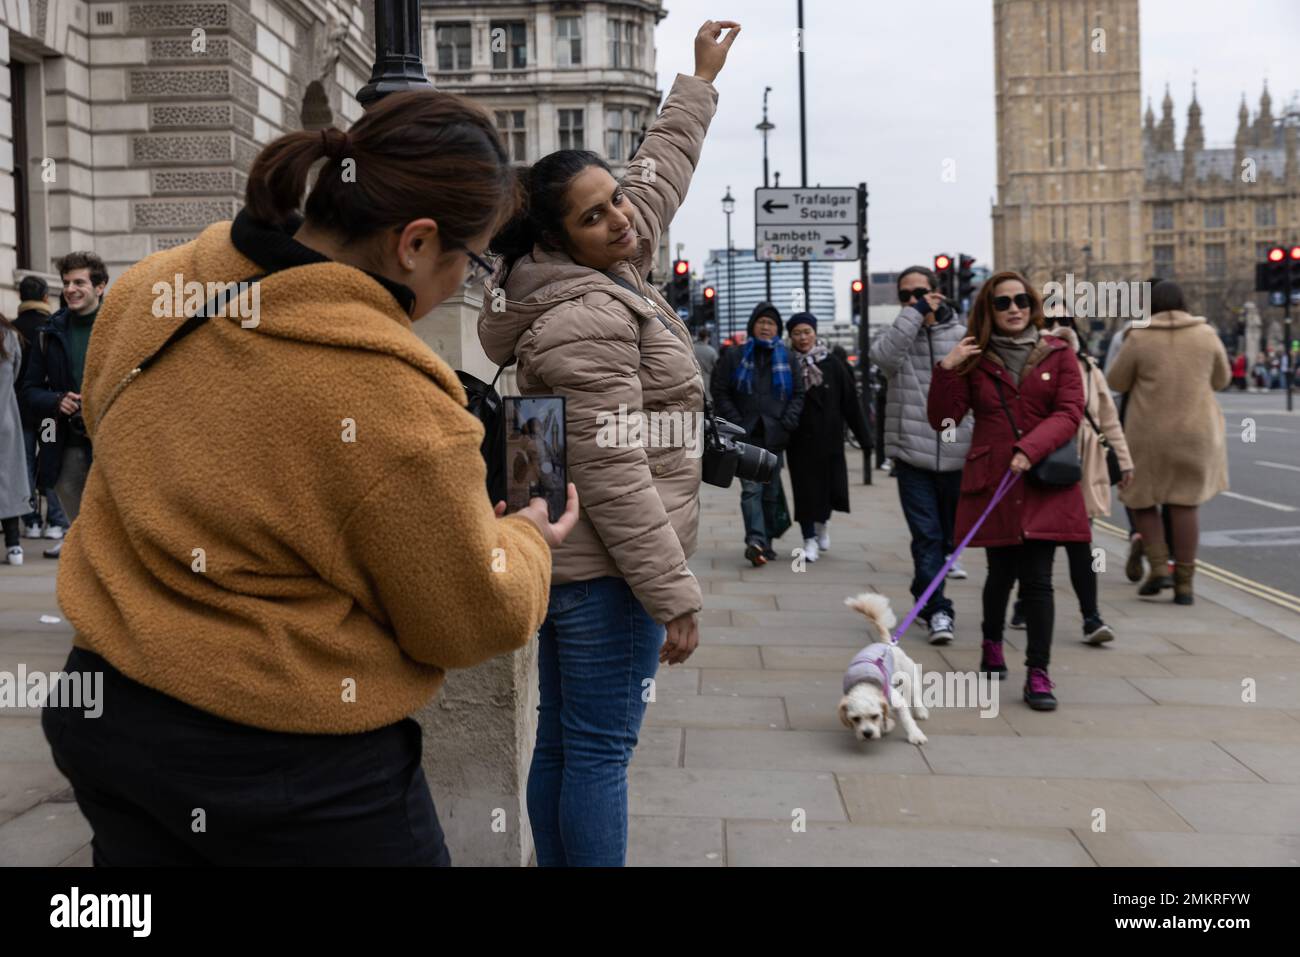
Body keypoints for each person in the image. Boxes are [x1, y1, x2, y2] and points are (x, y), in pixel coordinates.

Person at [41, 86, 578, 866]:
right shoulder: (396, 399)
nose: (464, 282)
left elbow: (110, 426)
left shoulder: (154, 285)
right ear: (416, 242)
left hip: (108, 708)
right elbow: (468, 617)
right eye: (472, 259)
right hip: (291, 771)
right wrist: (526, 540)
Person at [480, 19, 738, 867]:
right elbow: (615, 469)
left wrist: (698, 80)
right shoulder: (591, 315)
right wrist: (675, 593)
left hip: (573, 558)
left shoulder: (591, 271)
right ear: (559, 239)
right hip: (608, 569)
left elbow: (658, 171)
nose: (622, 219)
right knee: (597, 751)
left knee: (561, 742)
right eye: (597, 216)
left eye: (615, 201)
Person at [928, 271, 1091, 711]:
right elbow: (943, 422)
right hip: (994, 480)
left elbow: (1071, 411)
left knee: (1038, 579)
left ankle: (1038, 671)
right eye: (1003, 303)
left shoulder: (1058, 354)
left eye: (1021, 300)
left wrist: (1029, 449)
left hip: (1043, 480)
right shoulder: (974, 358)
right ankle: (991, 642)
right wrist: (947, 368)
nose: (1014, 308)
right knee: (1000, 574)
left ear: (1033, 305)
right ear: (989, 310)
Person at [1106, 279, 1230, 605]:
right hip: (1196, 432)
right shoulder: (1206, 335)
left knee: (1141, 499)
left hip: (1148, 432)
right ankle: (1185, 584)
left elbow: (1116, 381)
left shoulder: (1138, 336)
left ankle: (1159, 567)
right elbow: (1222, 379)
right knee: (1185, 503)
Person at [869, 266, 972, 644]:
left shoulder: (962, 336)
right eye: (906, 296)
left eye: (921, 293)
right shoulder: (896, 337)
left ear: (938, 293)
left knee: (947, 540)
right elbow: (882, 358)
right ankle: (939, 611)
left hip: (956, 452)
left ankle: (923, 588)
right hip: (912, 455)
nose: (914, 300)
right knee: (926, 536)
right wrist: (912, 315)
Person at [1031, 310, 1135, 644]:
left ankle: (1092, 618)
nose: (1056, 327)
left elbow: (1108, 420)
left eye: (1063, 320)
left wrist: (1124, 460)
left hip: (1080, 466)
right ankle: (1024, 603)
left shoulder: (1088, 367)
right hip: (1036, 466)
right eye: (1047, 321)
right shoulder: (1026, 362)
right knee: (1034, 545)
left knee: (1081, 544)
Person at [19, 253, 109, 559]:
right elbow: (29, 391)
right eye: (66, 282)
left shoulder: (120, 328)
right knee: (82, 530)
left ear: (100, 287)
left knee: (112, 531)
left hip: (111, 445)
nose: (70, 289)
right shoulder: (49, 332)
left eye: (79, 282)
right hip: (64, 443)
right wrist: (57, 400)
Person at [712, 299, 805, 566]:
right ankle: (755, 540)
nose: (766, 328)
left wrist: (787, 422)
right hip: (745, 435)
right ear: (752, 326)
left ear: (778, 329)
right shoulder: (736, 356)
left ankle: (767, 542)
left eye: (771, 324)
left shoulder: (787, 358)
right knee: (751, 490)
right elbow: (720, 391)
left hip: (775, 435)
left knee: (771, 491)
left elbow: (798, 393)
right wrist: (735, 420)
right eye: (762, 322)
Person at [784, 311, 871, 562]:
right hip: (799, 439)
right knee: (804, 491)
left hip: (830, 437)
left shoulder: (833, 363)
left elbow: (850, 402)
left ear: (815, 333)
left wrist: (865, 438)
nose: (803, 338)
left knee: (829, 489)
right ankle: (808, 539)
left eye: (807, 332)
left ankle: (822, 525)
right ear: (791, 336)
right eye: (797, 333)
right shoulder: (787, 363)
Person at [13, 276, 70, 541]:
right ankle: (56, 520)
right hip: (48, 413)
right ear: (46, 297)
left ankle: (31, 520)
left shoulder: (12, 330)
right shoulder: (50, 328)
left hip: (19, 414)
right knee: (49, 461)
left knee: (24, 464)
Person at [0, 311, 30, 565]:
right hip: (5, 417)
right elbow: (17, 373)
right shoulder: (9, 336)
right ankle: (13, 545)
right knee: (8, 482)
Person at [694, 326, 719, 394]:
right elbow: (718, 368)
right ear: (707, 337)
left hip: (694, 385)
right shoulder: (711, 351)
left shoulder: (691, 349)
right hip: (707, 385)